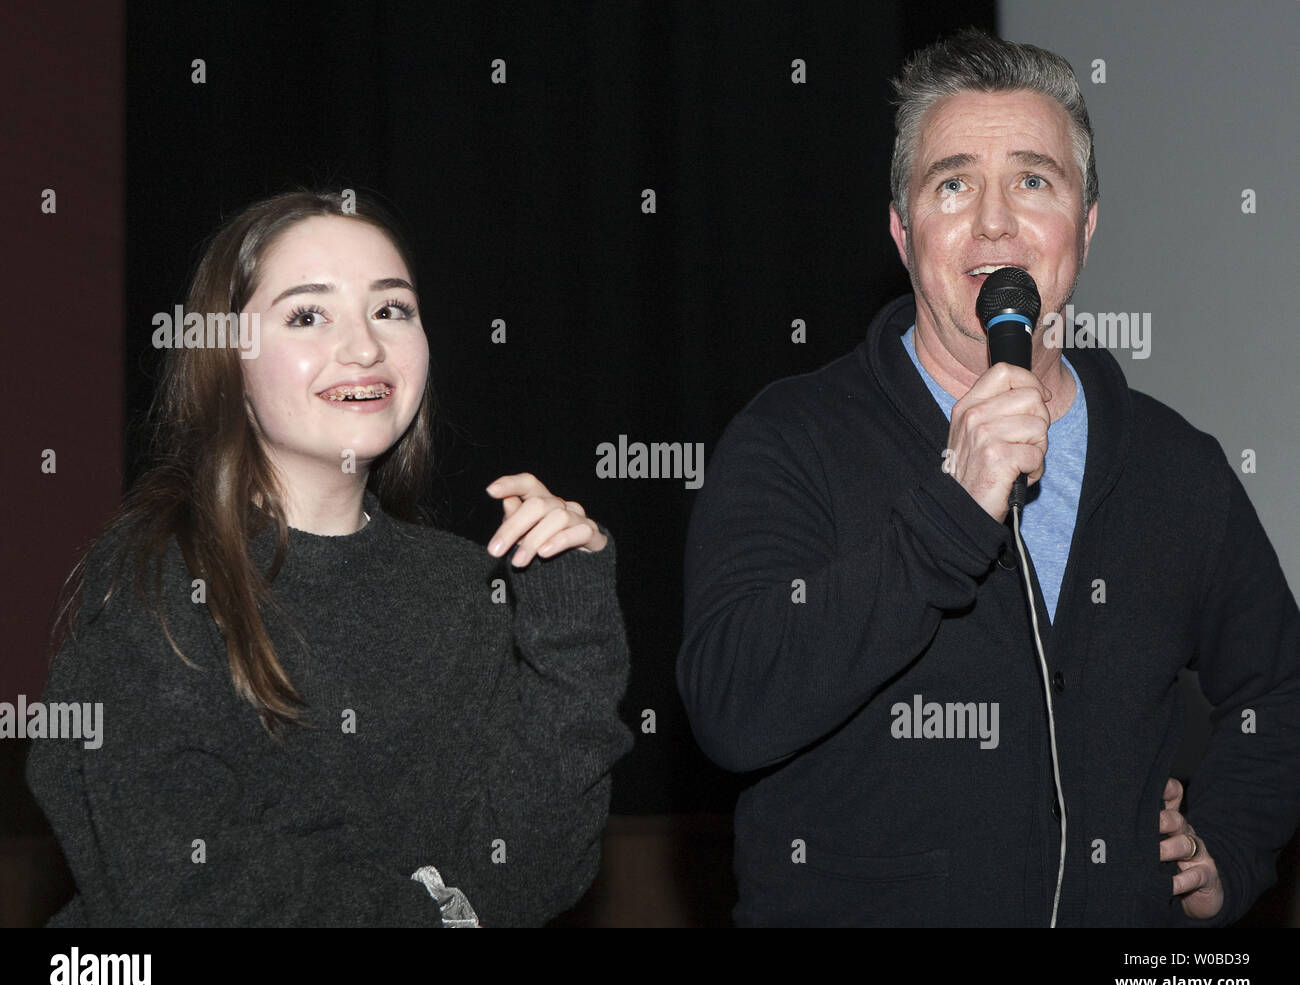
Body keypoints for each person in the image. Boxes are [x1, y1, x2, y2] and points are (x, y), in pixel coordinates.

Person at [676, 28, 1300, 927]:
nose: (996, 221)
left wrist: (1231, 848)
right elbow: (731, 707)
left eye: (1034, 181)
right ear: (902, 230)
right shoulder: (790, 438)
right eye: (955, 182)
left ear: (1084, 228)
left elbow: (1278, 690)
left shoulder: (1174, 465)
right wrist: (950, 512)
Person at [26, 189, 633, 927]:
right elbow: (186, 887)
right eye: (308, 314)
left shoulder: (464, 585)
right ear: (229, 359)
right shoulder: (158, 572)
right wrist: (436, 911)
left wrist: (570, 614)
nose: (365, 347)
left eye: (391, 309)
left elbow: (535, 868)